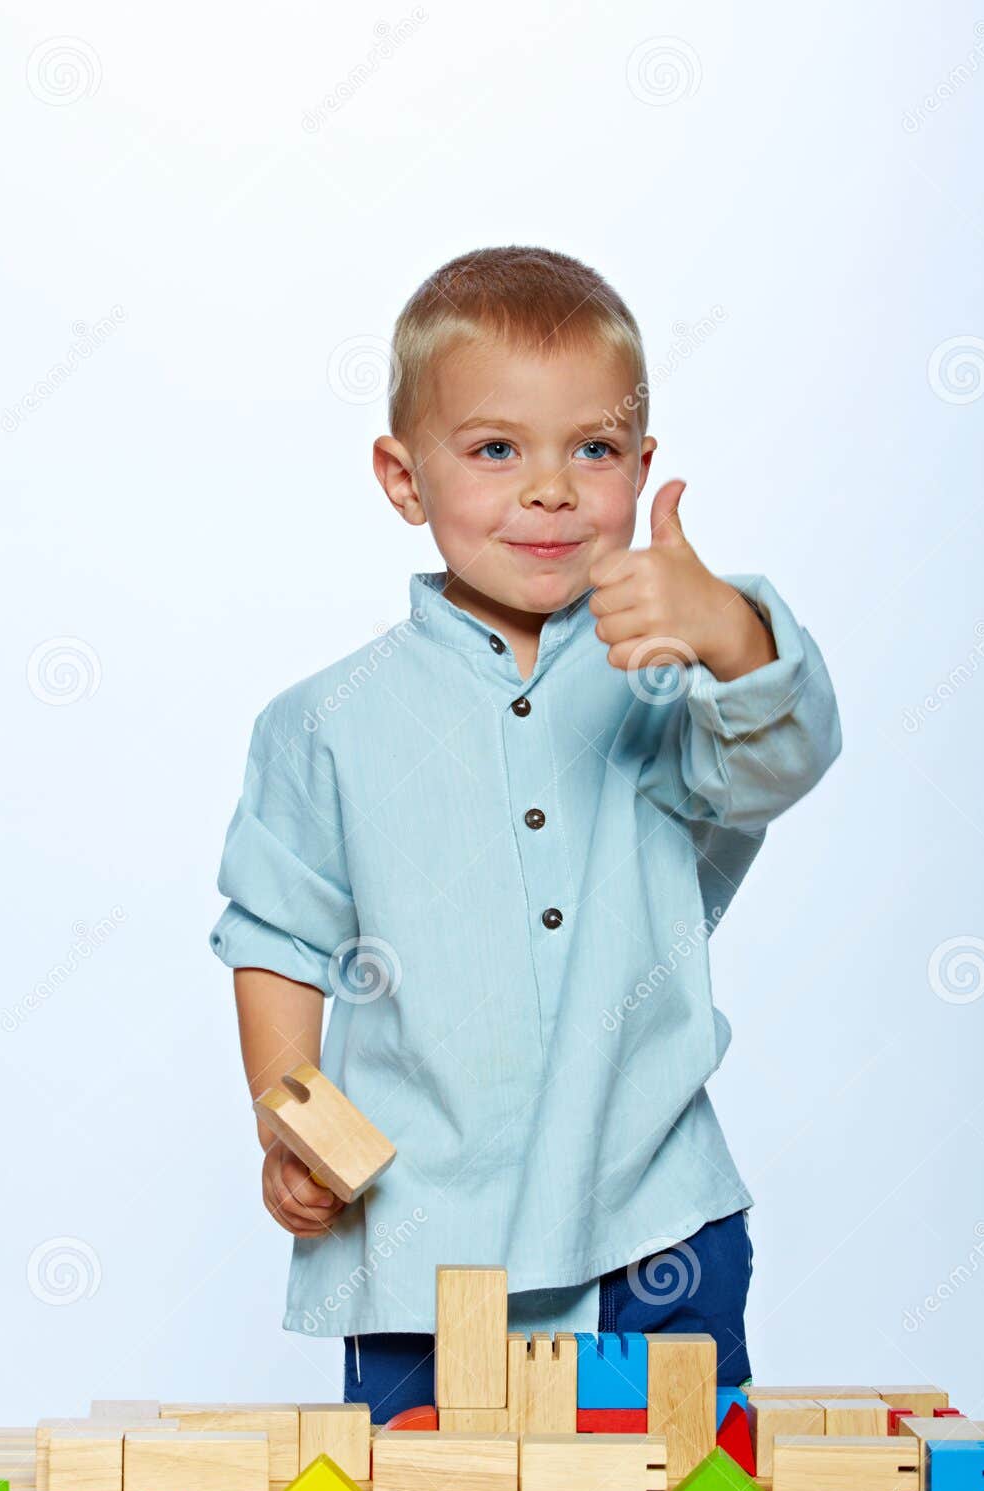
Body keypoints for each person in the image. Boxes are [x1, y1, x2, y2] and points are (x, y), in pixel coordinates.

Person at [209, 245, 842, 1421]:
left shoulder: (667, 677)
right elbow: (278, 935)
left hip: (655, 1215)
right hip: (418, 1243)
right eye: (495, 449)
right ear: (403, 478)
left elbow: (780, 759)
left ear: (641, 468)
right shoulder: (320, 724)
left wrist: (731, 630)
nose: (548, 490)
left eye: (591, 450)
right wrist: (287, 1118)